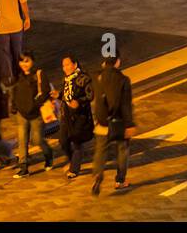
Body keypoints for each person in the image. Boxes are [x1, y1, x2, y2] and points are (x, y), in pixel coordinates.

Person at [90, 54, 135, 195]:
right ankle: (120, 180)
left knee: (100, 150)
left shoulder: (97, 78)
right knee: (122, 150)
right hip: (119, 122)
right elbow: (126, 105)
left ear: (104, 63)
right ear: (118, 62)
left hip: (102, 121)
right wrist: (130, 124)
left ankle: (98, 174)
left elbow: (93, 97)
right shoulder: (123, 79)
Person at [10, 50, 55, 176]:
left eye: (27, 61)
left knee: (37, 139)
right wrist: (14, 106)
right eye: (21, 61)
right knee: (22, 139)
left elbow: (45, 92)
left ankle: (48, 154)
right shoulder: (18, 75)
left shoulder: (39, 74)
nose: (24, 64)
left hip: (36, 113)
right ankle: (23, 167)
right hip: (21, 113)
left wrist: (34, 105)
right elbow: (14, 91)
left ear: (32, 61)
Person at [54, 54, 94, 178]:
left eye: (67, 64)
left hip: (79, 116)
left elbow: (90, 96)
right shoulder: (66, 80)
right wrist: (59, 95)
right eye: (63, 66)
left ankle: (74, 169)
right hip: (66, 115)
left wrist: (79, 102)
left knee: (77, 142)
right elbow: (67, 97)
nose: (65, 68)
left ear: (75, 64)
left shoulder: (84, 78)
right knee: (63, 141)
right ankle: (73, 161)